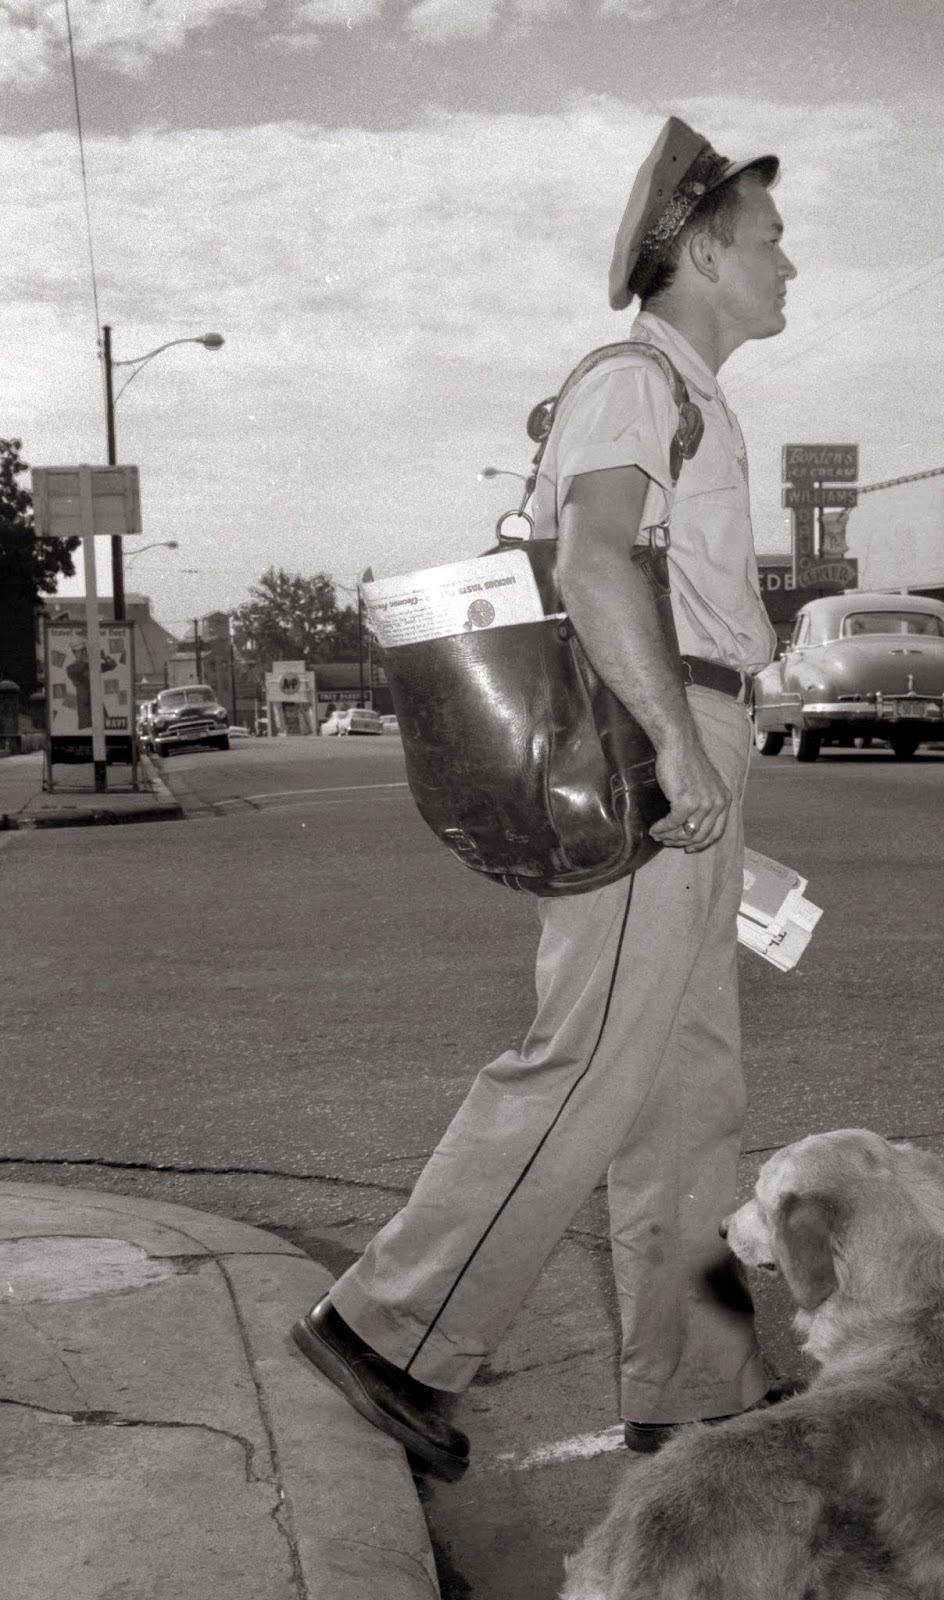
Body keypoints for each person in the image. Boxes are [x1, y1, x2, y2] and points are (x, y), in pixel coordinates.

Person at [292, 115, 797, 1478]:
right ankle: (388, 1331)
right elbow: (589, 562)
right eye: (767, 241)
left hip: (688, 728)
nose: (787, 263)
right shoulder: (635, 377)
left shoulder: (682, 388)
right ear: (699, 248)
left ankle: (695, 1381)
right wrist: (678, 752)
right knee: (582, 1063)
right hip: (653, 740)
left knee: (686, 1092)